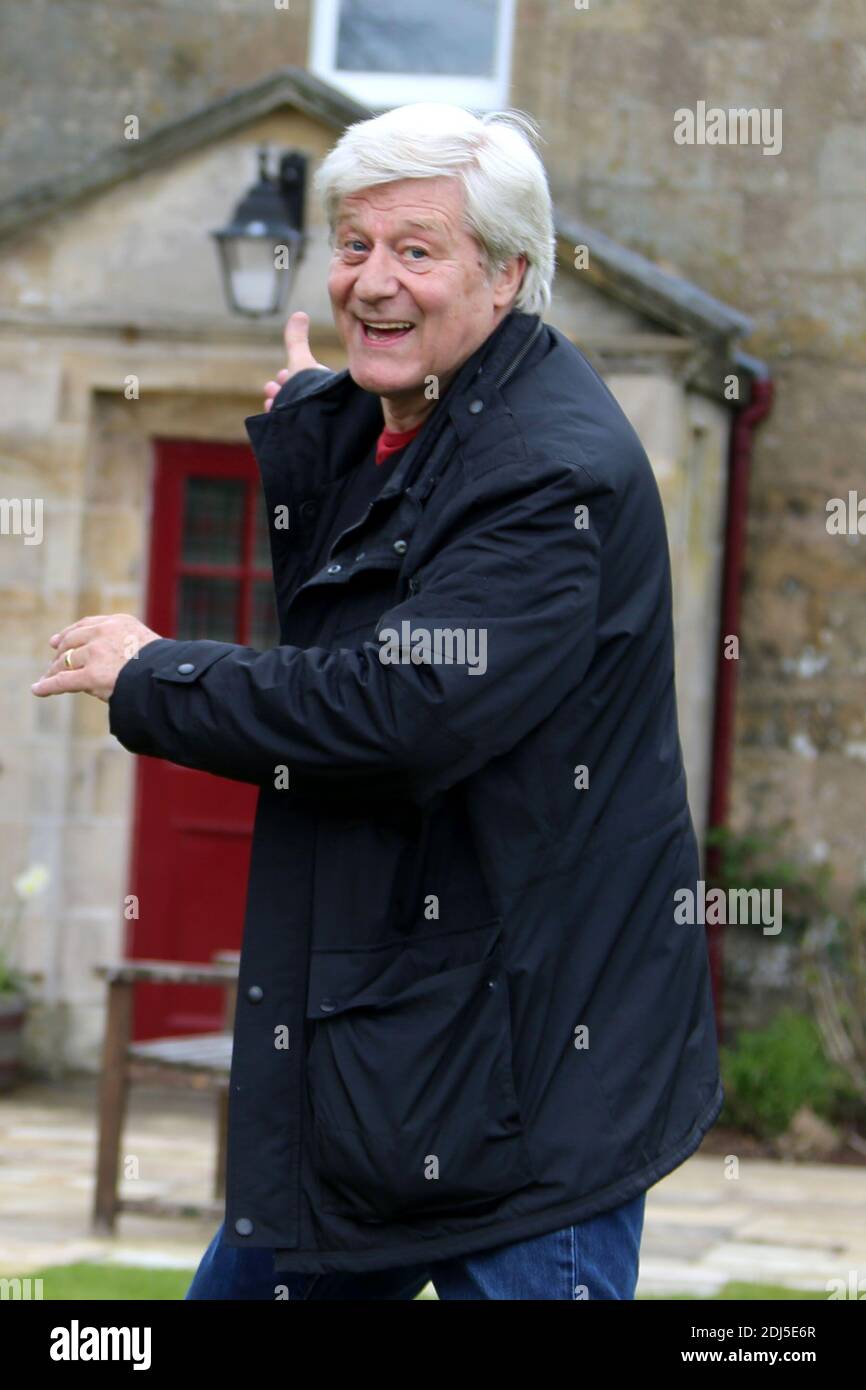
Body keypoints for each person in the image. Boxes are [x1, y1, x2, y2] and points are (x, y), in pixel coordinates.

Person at [32, 102, 723, 1300]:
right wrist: (325, 425)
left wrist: (158, 673)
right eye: (353, 245)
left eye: (415, 250)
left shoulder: (548, 467)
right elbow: (370, 589)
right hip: (383, 1049)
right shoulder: (420, 422)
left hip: (527, 1071)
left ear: (509, 272)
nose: (370, 281)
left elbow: (397, 710)